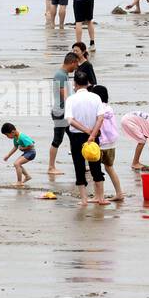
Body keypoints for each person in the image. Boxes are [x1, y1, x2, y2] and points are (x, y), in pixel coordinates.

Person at [64, 70, 107, 207]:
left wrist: (85, 130)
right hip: (93, 136)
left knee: (79, 166)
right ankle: (100, 198)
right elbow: (100, 118)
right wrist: (93, 134)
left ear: (74, 84)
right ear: (88, 83)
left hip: (77, 136)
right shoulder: (96, 97)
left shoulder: (71, 99)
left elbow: (70, 120)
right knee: (96, 165)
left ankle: (84, 200)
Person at [89, 84, 124, 202]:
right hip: (111, 142)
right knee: (109, 168)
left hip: (100, 143)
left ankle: (98, 196)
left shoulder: (96, 110)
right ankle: (119, 193)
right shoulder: (109, 109)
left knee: (96, 170)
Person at [48, 51, 77, 177]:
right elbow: (64, 95)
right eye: (76, 65)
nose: (76, 68)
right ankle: (51, 167)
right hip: (60, 113)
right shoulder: (60, 75)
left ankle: (79, 163)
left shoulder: (63, 74)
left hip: (64, 112)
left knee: (73, 138)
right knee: (57, 140)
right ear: (72, 63)